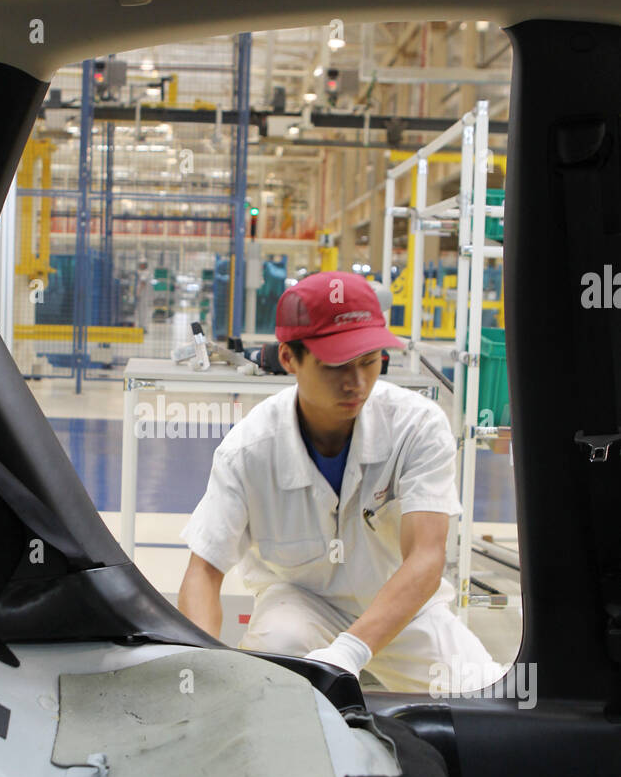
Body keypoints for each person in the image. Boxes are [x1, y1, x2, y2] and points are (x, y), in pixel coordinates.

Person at [177, 270, 505, 693]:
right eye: (336, 366)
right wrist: (197, 661)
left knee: (487, 700)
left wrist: (350, 650)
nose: (357, 383)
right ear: (289, 358)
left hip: (405, 608)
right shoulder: (249, 450)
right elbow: (204, 569)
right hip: (301, 603)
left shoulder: (416, 426)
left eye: (369, 361)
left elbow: (426, 557)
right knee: (268, 688)